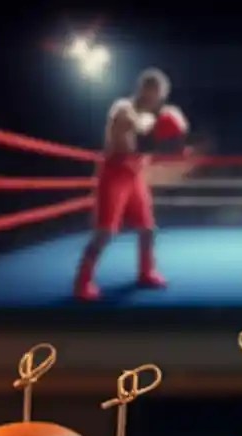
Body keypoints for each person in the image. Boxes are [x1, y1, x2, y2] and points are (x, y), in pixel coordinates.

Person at [74, 68, 188, 302]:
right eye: (156, 92)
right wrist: (158, 121)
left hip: (134, 174)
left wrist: (176, 123)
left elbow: (172, 134)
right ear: (145, 89)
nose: (158, 98)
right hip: (114, 172)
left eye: (161, 94)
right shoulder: (123, 107)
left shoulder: (153, 114)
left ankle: (146, 272)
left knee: (147, 228)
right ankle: (82, 282)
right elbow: (140, 130)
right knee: (105, 232)